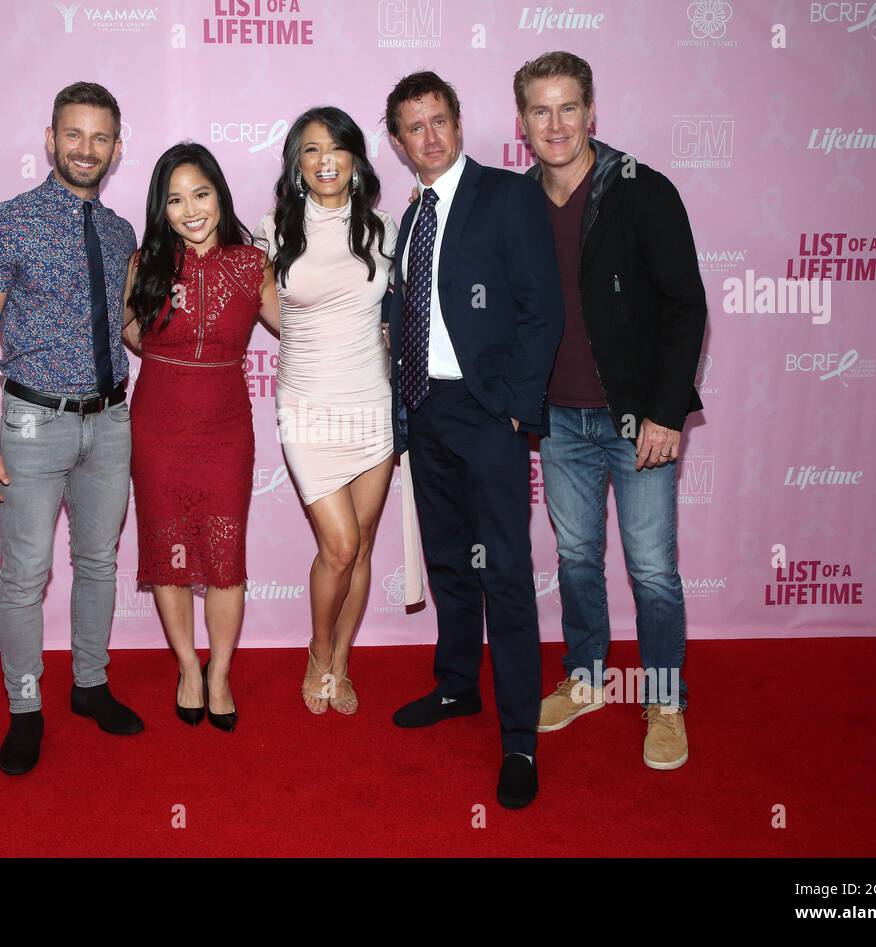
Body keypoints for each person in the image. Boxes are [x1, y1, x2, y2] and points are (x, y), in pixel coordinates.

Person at [516, 51, 706, 770]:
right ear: (523, 121)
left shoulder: (641, 189)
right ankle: (587, 678)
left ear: (591, 111)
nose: (556, 124)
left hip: (637, 422)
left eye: (568, 107)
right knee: (575, 558)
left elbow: (686, 307)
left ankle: (664, 699)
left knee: (652, 569)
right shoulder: (517, 202)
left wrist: (665, 412)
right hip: (559, 421)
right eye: (541, 110)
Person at [383, 71, 564, 809]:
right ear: (399, 142)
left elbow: (543, 308)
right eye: (414, 127)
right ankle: (458, 686)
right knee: (450, 562)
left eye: (439, 121)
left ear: (458, 124)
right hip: (426, 411)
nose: (429, 137)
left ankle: (520, 736)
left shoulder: (507, 195)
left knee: (507, 575)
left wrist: (517, 410)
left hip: (488, 416)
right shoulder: (412, 213)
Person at [0, 81, 143, 777]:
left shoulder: (122, 233)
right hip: (33, 424)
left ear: (116, 149)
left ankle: (90, 684)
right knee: (25, 574)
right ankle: (25, 706)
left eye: (100, 137)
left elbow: (129, 329)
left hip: (112, 421)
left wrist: (194, 331)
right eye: (74, 134)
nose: (85, 149)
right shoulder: (8, 222)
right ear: (50, 139)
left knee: (98, 564)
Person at [123, 142, 279, 732]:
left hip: (225, 428)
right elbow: (129, 330)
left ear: (220, 195)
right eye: (175, 200)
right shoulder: (145, 263)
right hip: (158, 427)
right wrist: (169, 356)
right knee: (167, 555)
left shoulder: (252, 263)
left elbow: (296, 327)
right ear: (161, 209)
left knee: (224, 558)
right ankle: (189, 667)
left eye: (201, 194)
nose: (191, 210)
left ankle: (220, 673)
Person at [255, 106, 399, 716]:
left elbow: (405, 307)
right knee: (338, 546)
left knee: (361, 547)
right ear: (298, 163)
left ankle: (341, 662)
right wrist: (308, 338)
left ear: (355, 159)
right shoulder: (273, 231)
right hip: (308, 403)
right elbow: (265, 305)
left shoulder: (384, 229)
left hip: (371, 402)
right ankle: (318, 650)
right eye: (311, 150)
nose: (325, 160)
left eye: (336, 148)